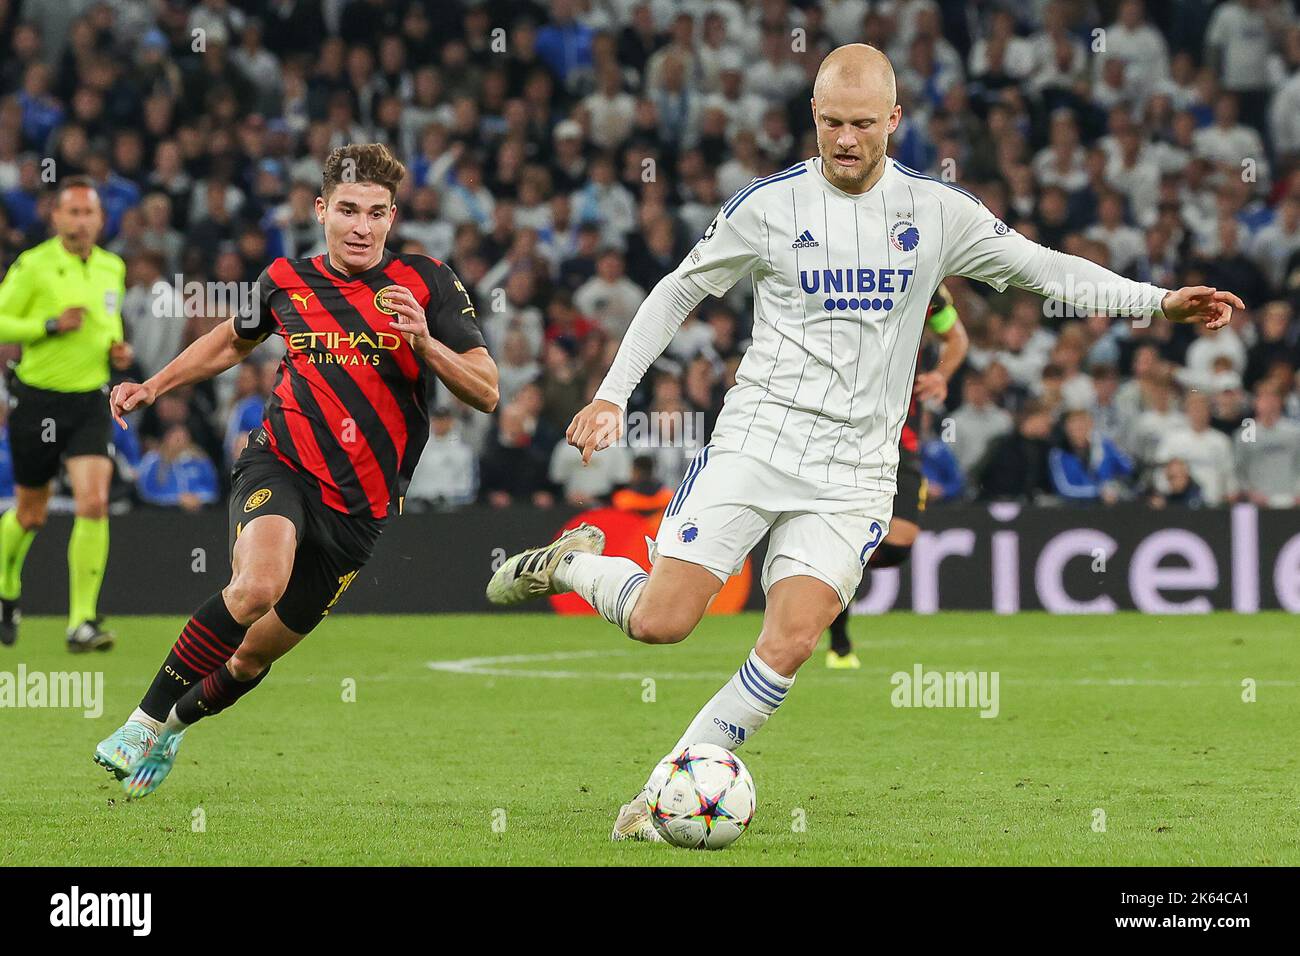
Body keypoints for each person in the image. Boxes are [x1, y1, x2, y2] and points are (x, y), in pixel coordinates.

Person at [485, 44, 1242, 842]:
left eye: (862, 124)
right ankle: (574, 561)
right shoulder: (769, 207)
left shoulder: (937, 212)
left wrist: (1158, 302)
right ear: (814, 117)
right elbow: (680, 287)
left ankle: (661, 796)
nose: (846, 140)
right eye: (832, 123)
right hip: (759, 439)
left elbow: (1042, 270)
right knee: (663, 623)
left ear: (894, 121)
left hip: (855, 471)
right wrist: (611, 394)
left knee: (792, 642)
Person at [93, 143, 498, 797]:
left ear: (393, 218)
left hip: (360, 510)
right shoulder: (287, 279)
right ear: (320, 211)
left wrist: (425, 341)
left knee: (252, 655)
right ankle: (141, 720)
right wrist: (153, 384)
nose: (361, 226)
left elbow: (486, 390)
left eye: (375, 213)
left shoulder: (427, 283)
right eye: (347, 210)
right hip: (280, 464)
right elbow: (231, 340)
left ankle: (171, 730)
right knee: (255, 587)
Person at [0, 176, 132, 651]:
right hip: (37, 400)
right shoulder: (34, 266)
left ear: (101, 218)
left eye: (88, 212)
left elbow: (108, 323)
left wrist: (117, 353)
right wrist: (49, 325)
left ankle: (81, 622)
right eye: (71, 212)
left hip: (88, 401)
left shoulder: (111, 268)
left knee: (93, 502)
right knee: (31, 514)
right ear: (55, 217)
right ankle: (6, 587)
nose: (80, 221)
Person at [825, 283, 968, 669]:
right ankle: (839, 641)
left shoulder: (926, 286)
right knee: (852, 537)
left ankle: (824, 568)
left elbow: (956, 338)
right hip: (845, 432)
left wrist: (941, 375)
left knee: (900, 541)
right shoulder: (843, 278)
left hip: (901, 436)